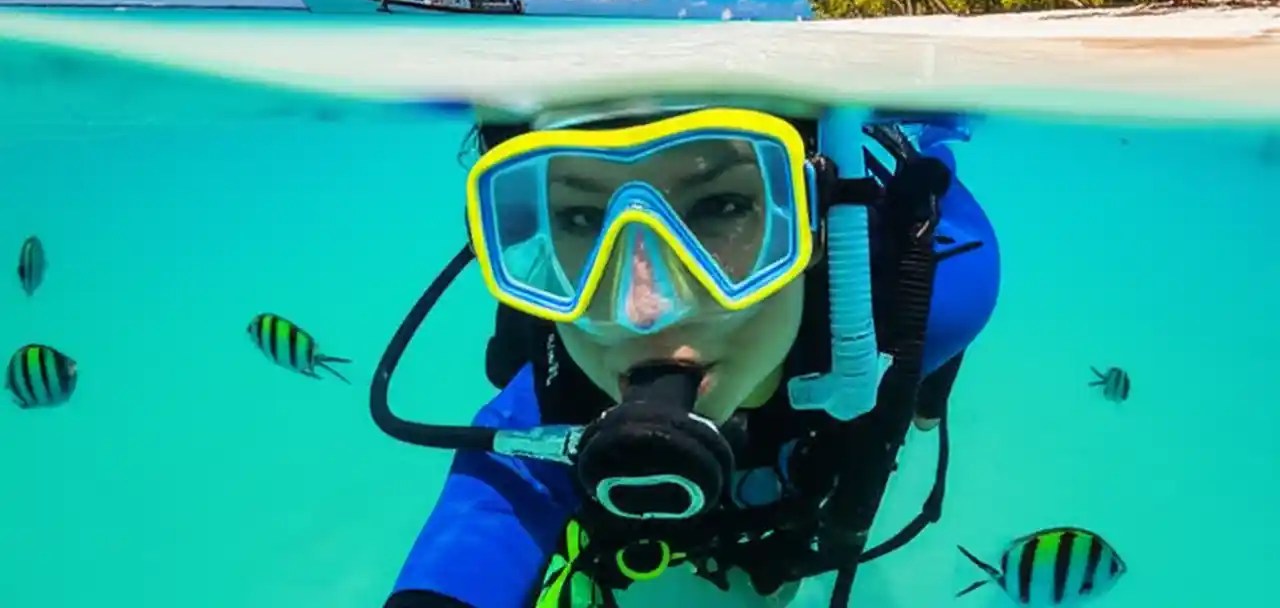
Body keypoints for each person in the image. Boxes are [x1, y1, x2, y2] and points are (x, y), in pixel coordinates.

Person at [369, 95, 1001, 608]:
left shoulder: (951, 292)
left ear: (815, 213)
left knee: (921, 388)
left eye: (722, 206)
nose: (643, 308)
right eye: (582, 221)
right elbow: (487, 512)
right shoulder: (557, 380)